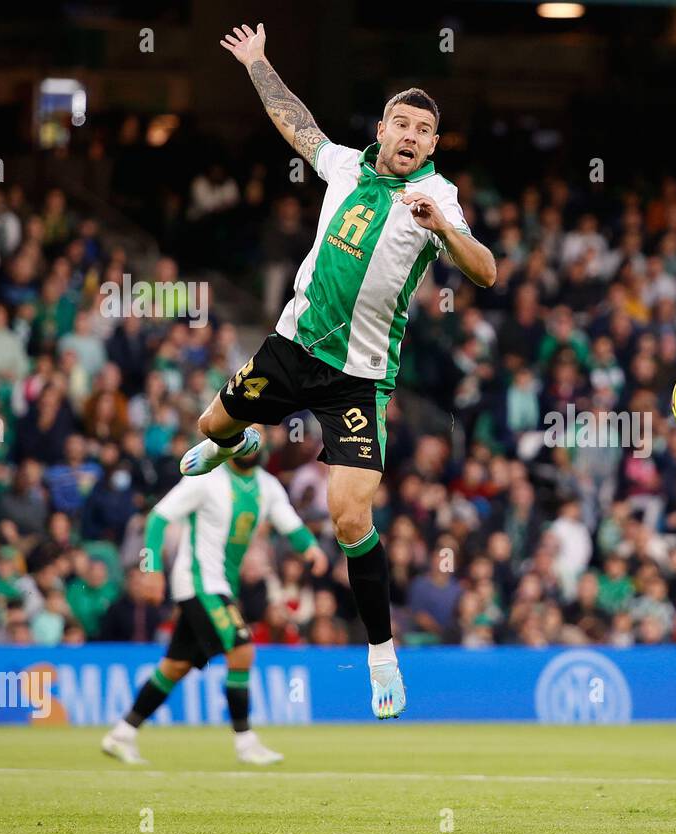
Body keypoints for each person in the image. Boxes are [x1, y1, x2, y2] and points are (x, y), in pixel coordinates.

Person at [177, 23, 496, 720]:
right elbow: (296, 122)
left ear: (433, 146)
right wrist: (259, 62)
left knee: (351, 515)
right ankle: (237, 443)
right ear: (382, 129)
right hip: (292, 349)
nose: (410, 135)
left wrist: (442, 227)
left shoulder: (439, 198)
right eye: (401, 122)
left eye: (423, 129)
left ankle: (382, 656)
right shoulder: (346, 166)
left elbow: (488, 270)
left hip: (359, 379)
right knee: (209, 426)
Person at [101, 431, 328, 765]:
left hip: (221, 584)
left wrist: (310, 549)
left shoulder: (267, 486)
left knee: (175, 666)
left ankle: (121, 734)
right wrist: (150, 569)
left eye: (257, 435)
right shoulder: (205, 479)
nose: (252, 442)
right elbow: (158, 517)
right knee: (242, 649)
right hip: (198, 581)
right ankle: (245, 742)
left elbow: (290, 525)